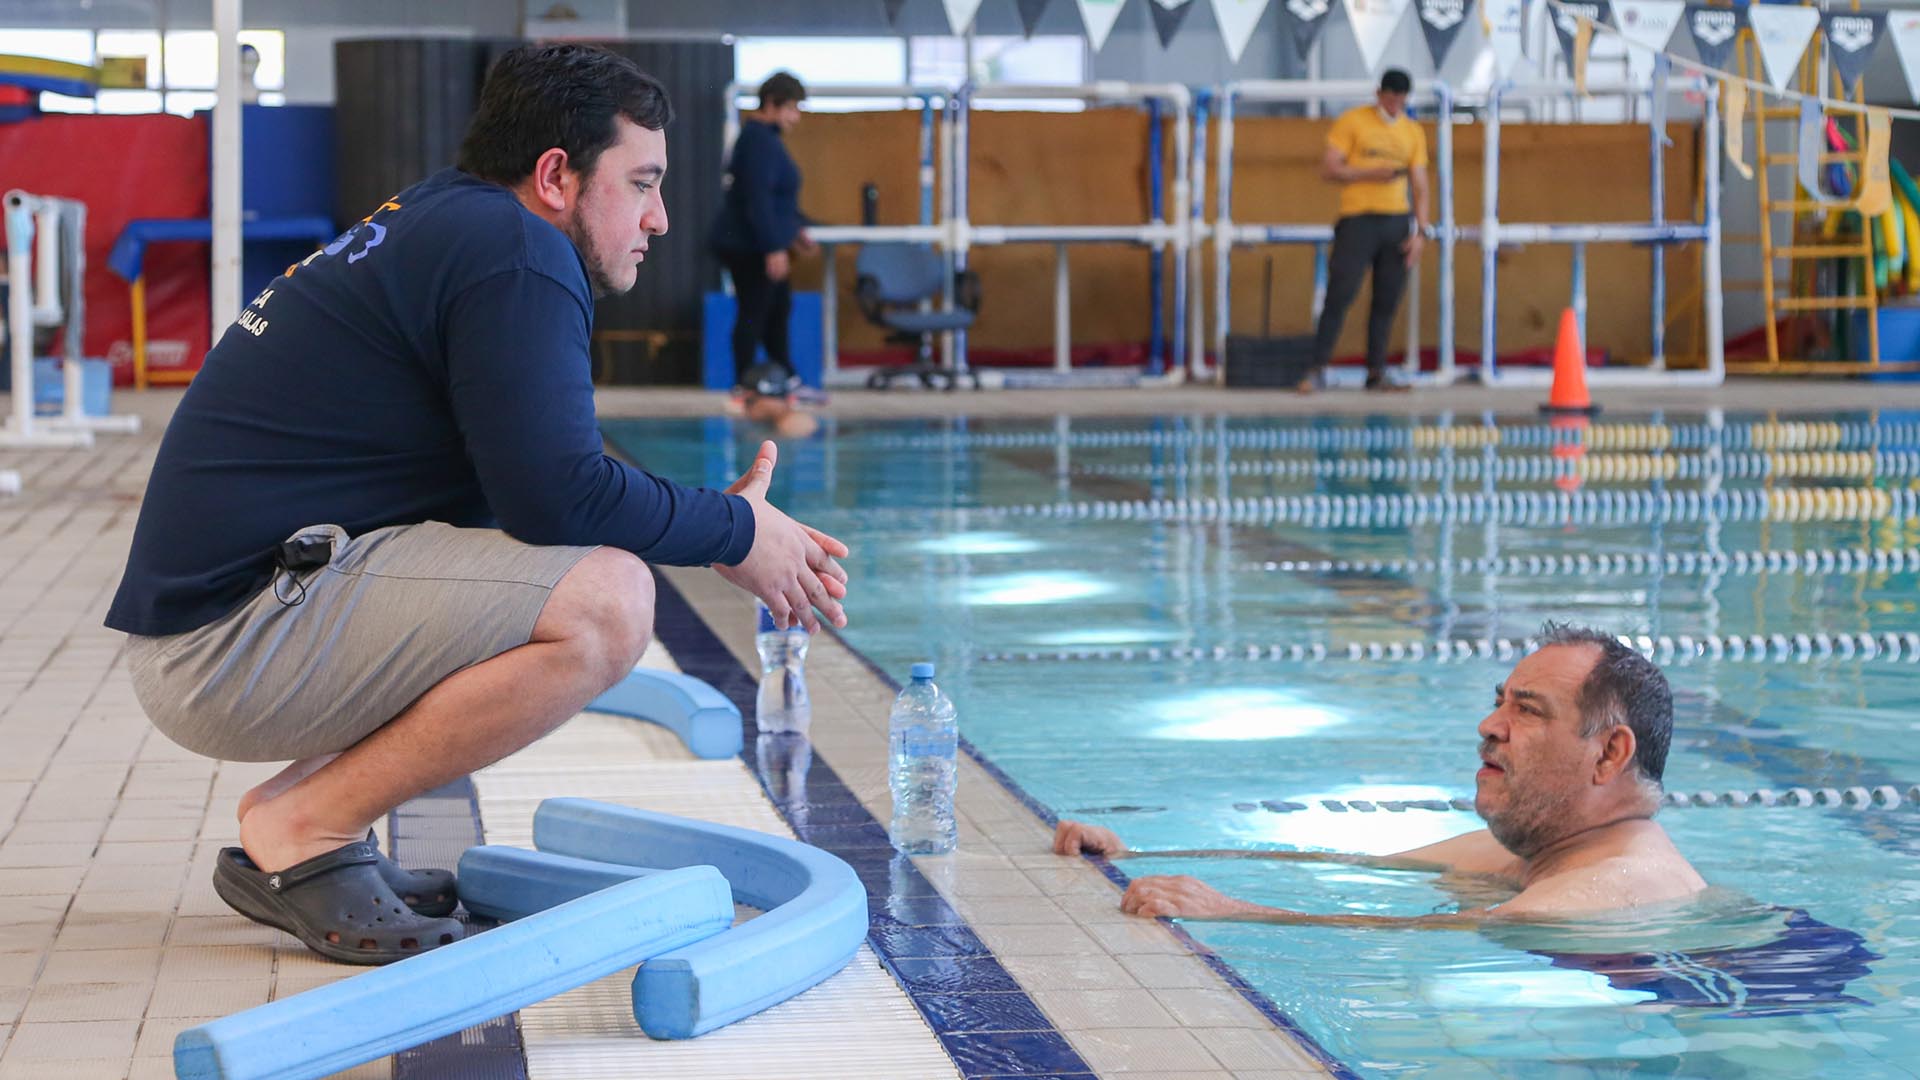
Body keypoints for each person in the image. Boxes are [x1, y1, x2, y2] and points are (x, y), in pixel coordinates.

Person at [104, 44, 849, 965]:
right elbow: (558, 496)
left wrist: (710, 524)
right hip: (224, 643)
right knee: (608, 605)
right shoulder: (517, 252)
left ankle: (300, 819)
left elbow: (534, 482)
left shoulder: (450, 220)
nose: (659, 218)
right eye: (642, 183)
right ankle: (305, 825)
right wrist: (732, 531)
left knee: (559, 570)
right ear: (554, 177)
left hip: (228, 615)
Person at [1053, 623, 1708, 926]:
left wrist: (1232, 912)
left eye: (1527, 711)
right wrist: (1140, 851)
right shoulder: (1546, 849)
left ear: (1609, 754)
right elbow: (1357, 865)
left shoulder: (1618, 883)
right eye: (1500, 699)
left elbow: (1436, 931)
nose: (1489, 724)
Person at [1304, 68, 1431, 395]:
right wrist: (1370, 173)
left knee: (1386, 300)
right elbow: (1329, 169)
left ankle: (1376, 371)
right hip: (1358, 219)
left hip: (1396, 221)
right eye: (1389, 99)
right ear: (1379, 94)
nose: (1393, 106)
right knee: (1340, 294)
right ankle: (1316, 367)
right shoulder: (1353, 122)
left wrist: (1420, 233)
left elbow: (1420, 186)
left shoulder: (1412, 132)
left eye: (1399, 101)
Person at [711, 71, 815, 394]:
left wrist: (795, 229)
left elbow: (778, 201)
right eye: (791, 108)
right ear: (771, 104)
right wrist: (773, 247)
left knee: (777, 308)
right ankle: (743, 381)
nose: (795, 118)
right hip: (749, 245)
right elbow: (758, 198)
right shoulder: (757, 140)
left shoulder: (766, 141)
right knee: (755, 311)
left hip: (760, 241)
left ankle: (786, 377)